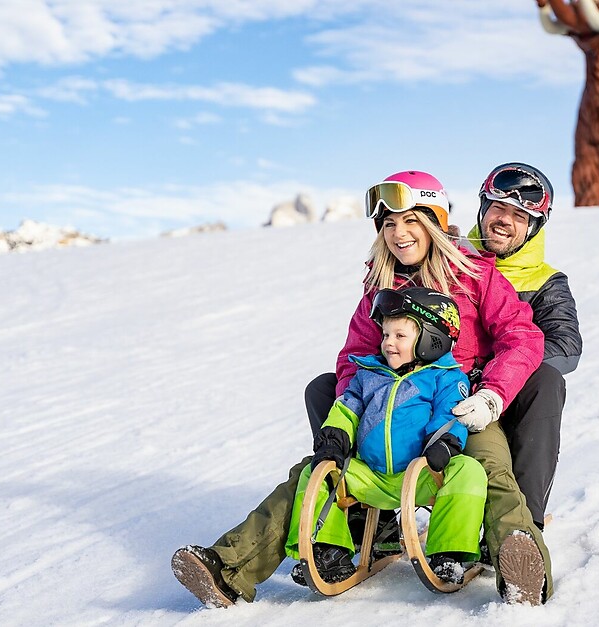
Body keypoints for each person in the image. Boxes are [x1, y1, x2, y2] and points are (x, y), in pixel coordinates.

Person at [173, 169, 552, 607]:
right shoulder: (379, 287)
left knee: (487, 463)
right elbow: (353, 359)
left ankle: (523, 572)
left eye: (410, 221)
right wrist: (347, 420)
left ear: (432, 221)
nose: (399, 233)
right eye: (389, 224)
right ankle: (228, 569)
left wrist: (491, 395)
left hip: (455, 405)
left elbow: (523, 337)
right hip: (387, 404)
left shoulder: (473, 275)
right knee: (313, 473)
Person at [286, 287, 485, 587]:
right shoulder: (369, 374)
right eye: (385, 335)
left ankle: (450, 554)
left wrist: (444, 445)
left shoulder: (445, 377)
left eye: (400, 336)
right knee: (314, 473)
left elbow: (449, 415)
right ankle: (327, 551)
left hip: (422, 475)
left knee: (469, 472)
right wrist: (334, 440)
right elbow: (347, 407)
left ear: (431, 339)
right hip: (371, 478)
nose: (388, 343)